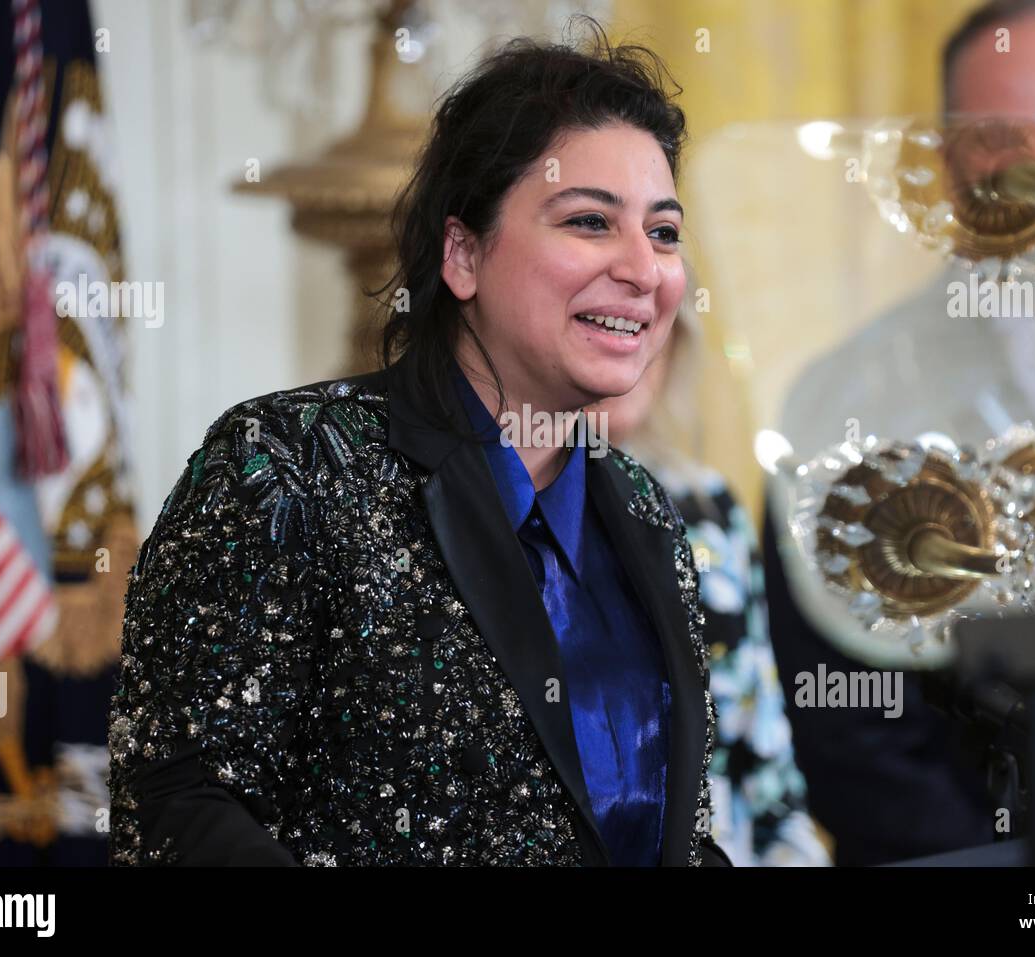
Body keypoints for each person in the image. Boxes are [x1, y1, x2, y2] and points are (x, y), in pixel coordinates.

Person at [107, 22, 732, 867]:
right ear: (463, 253)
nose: (643, 268)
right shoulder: (286, 466)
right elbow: (180, 813)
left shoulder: (647, 512)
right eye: (591, 221)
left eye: (663, 232)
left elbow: (678, 842)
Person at [764, 0, 1035, 865]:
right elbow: (845, 715)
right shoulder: (847, 393)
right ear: (944, 160)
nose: (1029, 169)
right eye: (996, 134)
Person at [593, 268, 831, 866]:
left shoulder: (709, 506)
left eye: (649, 327)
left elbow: (767, 768)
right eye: (606, 325)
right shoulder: (497, 512)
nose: (635, 345)